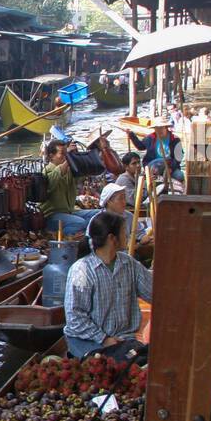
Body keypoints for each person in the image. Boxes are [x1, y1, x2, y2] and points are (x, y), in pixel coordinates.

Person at [62, 211, 154, 359]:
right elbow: (75, 319)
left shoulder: (128, 264)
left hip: (123, 339)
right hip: (88, 340)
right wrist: (104, 339)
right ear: (112, 238)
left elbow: (154, 293)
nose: (128, 236)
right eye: (125, 233)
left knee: (144, 362)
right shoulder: (82, 270)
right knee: (111, 369)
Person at [40, 140, 97, 236]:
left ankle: (84, 236)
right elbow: (53, 179)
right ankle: (65, 239)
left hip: (69, 212)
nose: (65, 156)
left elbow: (83, 174)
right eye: (62, 154)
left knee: (98, 215)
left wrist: (77, 156)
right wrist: (68, 159)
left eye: (66, 154)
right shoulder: (46, 171)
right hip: (52, 215)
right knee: (80, 223)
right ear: (51, 156)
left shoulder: (69, 171)